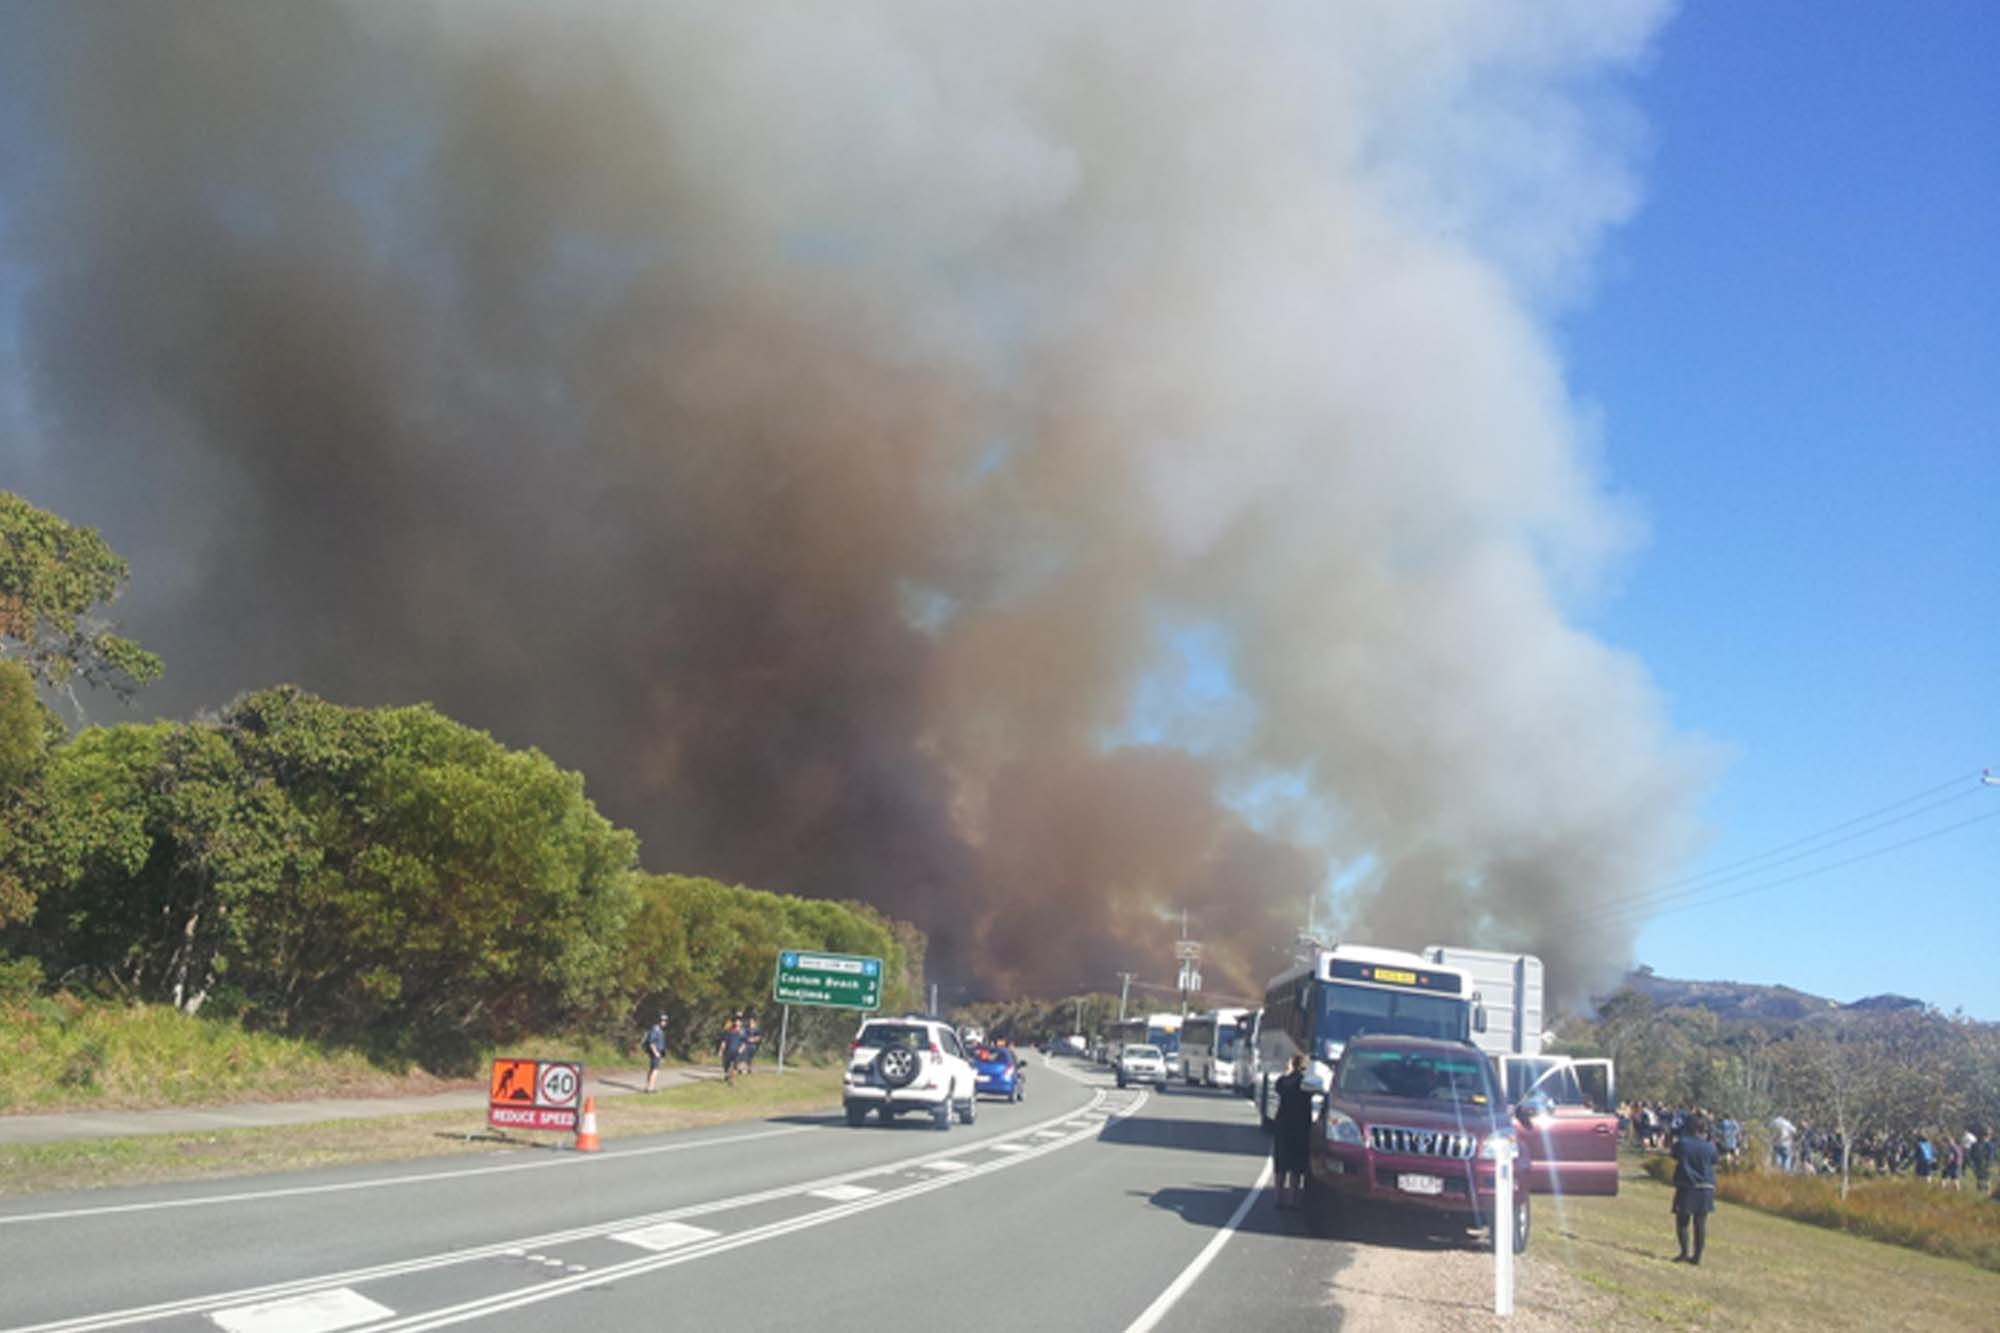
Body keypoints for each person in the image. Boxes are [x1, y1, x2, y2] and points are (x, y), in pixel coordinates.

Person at [1671, 1112, 1720, 1266]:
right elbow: (1715, 1160)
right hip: (1706, 1186)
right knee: (1700, 1223)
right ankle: (1697, 1256)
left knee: (1682, 1221)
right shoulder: (1710, 1146)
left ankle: (1684, 1252)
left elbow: (1673, 1154)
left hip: (1687, 1185)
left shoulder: (1683, 1143)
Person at [1272, 1053, 1314, 1210]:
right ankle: (1293, 1199)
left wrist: (1287, 1072)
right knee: (1296, 1167)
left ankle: (1279, 1198)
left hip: (1283, 1126)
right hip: (1300, 1127)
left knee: (1281, 1164)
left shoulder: (1282, 1082)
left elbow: (1278, 1087)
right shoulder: (1305, 1083)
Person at [641, 1011, 669, 1093]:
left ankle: (648, 1087)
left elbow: (661, 1043)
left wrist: (662, 1054)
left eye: (665, 1021)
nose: (664, 1022)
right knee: (655, 1070)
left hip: (658, 1052)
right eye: (662, 1020)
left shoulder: (660, 1030)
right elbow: (651, 1042)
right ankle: (651, 1088)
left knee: (652, 1069)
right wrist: (656, 1053)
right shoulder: (655, 1029)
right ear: (659, 1021)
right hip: (655, 1052)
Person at [718, 1015, 745, 1086]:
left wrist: (741, 1049)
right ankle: (727, 1074)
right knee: (726, 1065)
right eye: (737, 1022)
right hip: (728, 1051)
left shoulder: (742, 1033)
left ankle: (732, 1080)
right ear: (734, 1023)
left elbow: (744, 1043)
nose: (738, 1023)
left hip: (737, 1052)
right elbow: (724, 1042)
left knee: (735, 1066)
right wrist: (721, 1051)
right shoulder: (728, 1032)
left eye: (739, 1022)